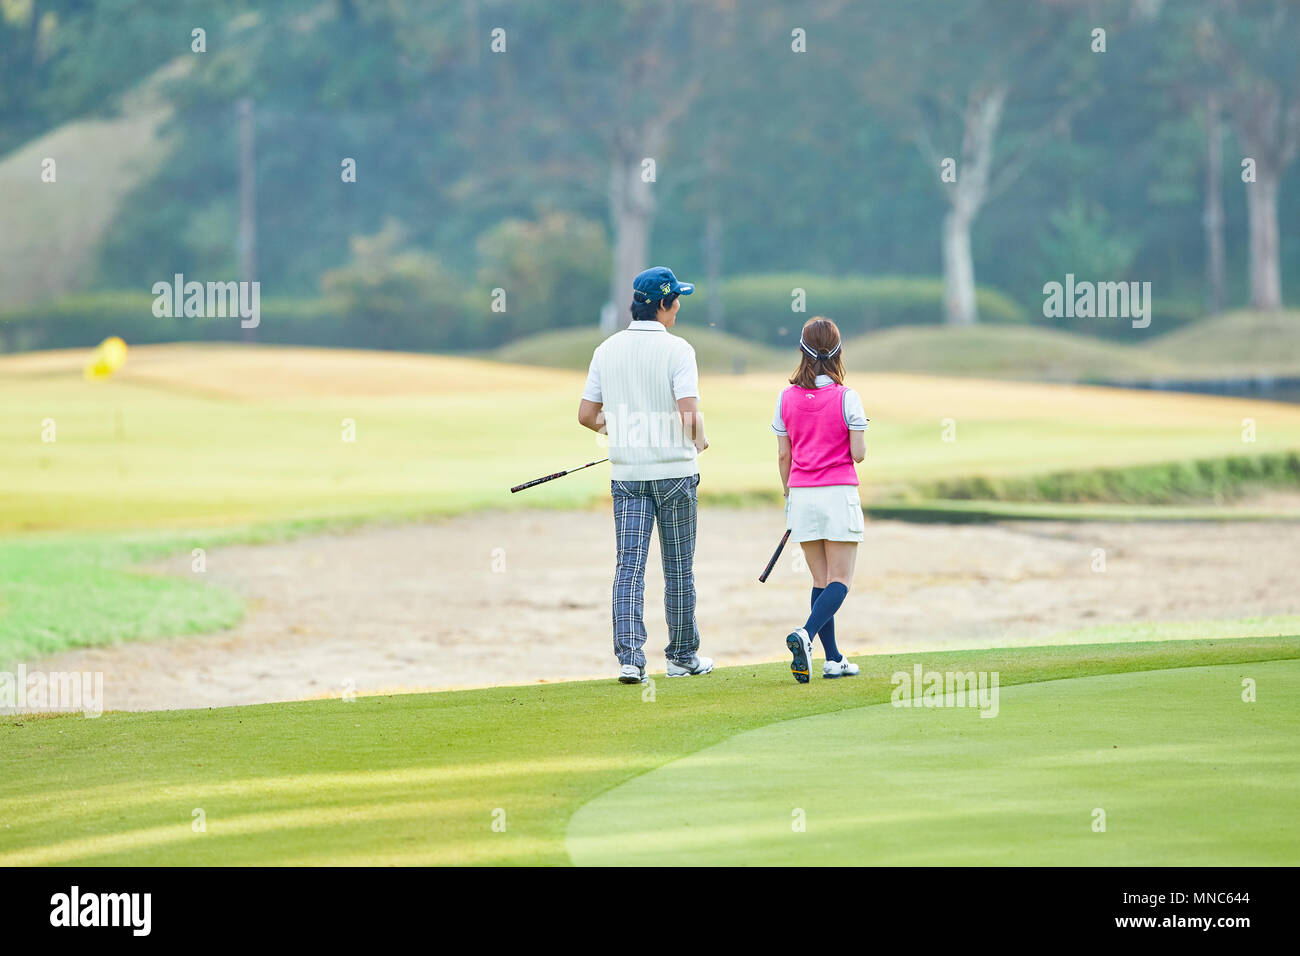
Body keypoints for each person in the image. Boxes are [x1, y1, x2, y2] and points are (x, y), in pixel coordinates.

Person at [578, 267, 713, 684]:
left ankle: (630, 659)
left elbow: (586, 416)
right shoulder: (679, 350)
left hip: (628, 475)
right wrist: (701, 440)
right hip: (675, 473)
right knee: (678, 568)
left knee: (629, 567)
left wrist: (620, 428)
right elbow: (688, 412)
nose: (679, 308)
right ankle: (682, 656)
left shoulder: (606, 349)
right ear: (661, 304)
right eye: (676, 301)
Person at [771, 317, 868, 683]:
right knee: (840, 580)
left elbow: (784, 456)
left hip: (801, 495)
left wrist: (788, 492)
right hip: (838, 493)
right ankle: (806, 635)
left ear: (801, 350)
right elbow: (858, 454)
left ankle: (834, 659)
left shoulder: (785, 397)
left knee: (821, 580)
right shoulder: (848, 397)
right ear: (839, 351)